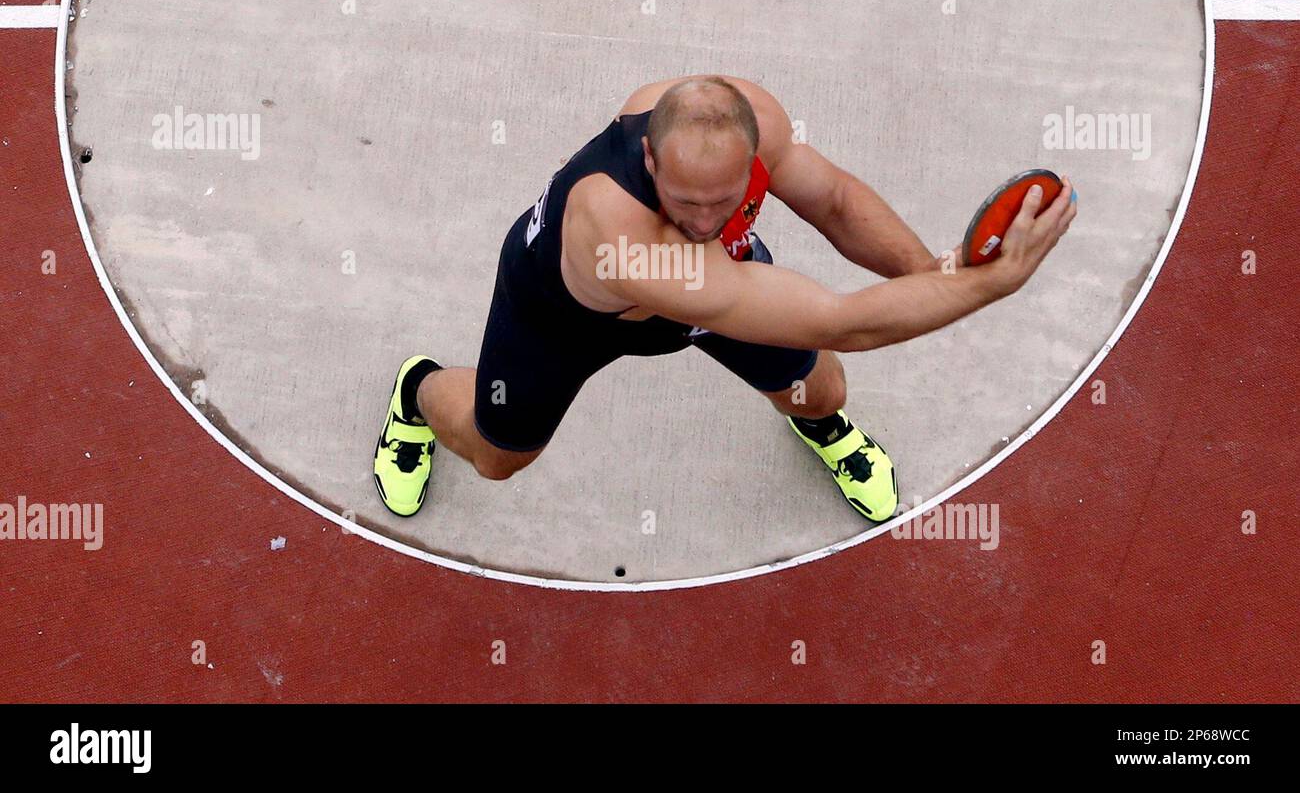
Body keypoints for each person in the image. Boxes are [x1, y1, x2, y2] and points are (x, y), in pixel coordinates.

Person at [373, 75, 1076, 521]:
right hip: (562, 318)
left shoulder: (747, 119)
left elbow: (831, 200)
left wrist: (927, 270)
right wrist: (987, 284)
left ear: (752, 160)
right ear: (650, 158)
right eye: (685, 201)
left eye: (725, 198)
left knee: (822, 390)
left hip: (710, 292)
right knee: (498, 459)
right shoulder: (618, 231)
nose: (706, 219)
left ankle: (819, 429)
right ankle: (419, 390)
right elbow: (843, 320)